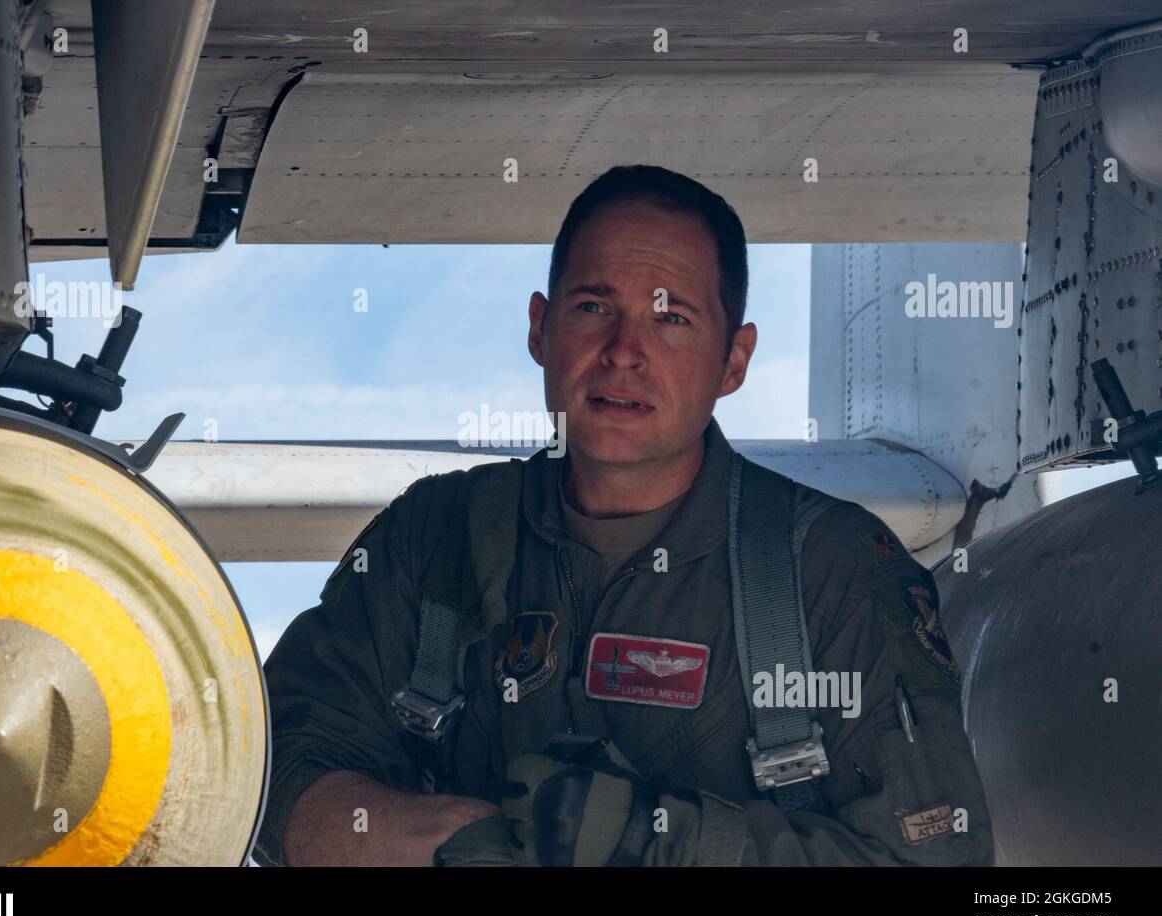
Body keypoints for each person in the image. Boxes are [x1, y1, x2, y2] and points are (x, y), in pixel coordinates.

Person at [253, 164, 994, 867]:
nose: (624, 352)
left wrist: (665, 842)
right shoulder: (433, 538)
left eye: (672, 318)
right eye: (594, 307)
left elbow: (936, 858)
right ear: (541, 329)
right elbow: (273, 770)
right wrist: (454, 841)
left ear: (734, 361)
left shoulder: (834, 574)